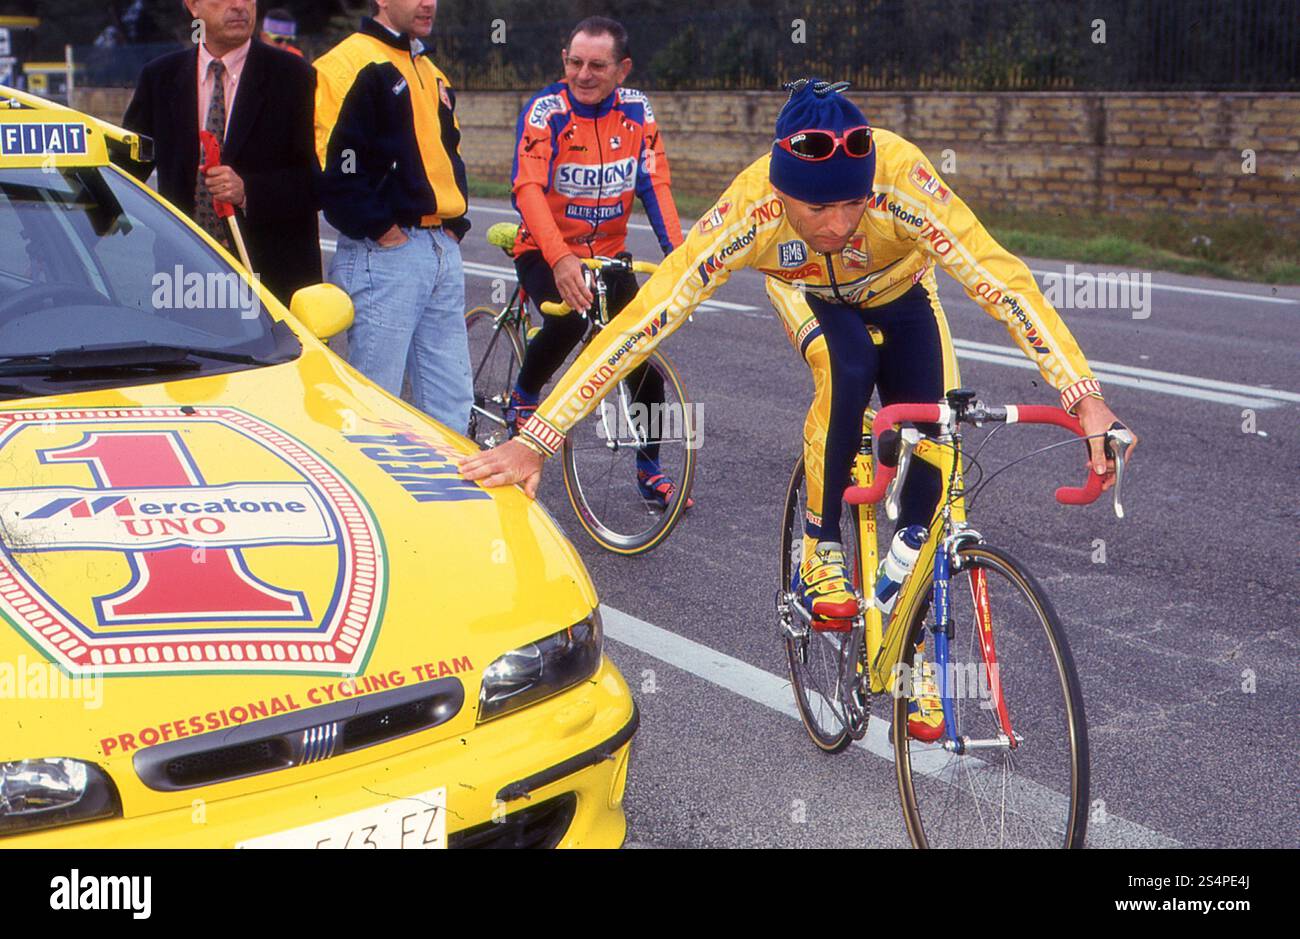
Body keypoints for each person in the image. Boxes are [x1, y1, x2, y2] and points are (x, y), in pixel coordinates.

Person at [460, 78, 1137, 738]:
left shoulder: (902, 180)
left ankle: (911, 629)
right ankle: (819, 544)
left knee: (934, 447)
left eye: (853, 204)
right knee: (845, 367)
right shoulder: (751, 208)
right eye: (818, 209)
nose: (840, 224)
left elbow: (1002, 279)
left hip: (901, 292)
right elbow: (647, 318)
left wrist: (1084, 394)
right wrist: (539, 437)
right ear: (783, 190)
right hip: (808, 294)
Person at [506, 16, 689, 507]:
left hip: (606, 255)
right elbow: (527, 188)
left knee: (639, 354)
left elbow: (655, 184)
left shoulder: (638, 110)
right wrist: (561, 258)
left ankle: (650, 469)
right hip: (545, 249)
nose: (583, 74)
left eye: (597, 65)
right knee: (570, 321)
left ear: (622, 69)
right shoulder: (547, 111)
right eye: (574, 62)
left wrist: (680, 257)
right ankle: (524, 396)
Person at [314, 0, 473, 433]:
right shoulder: (345, 63)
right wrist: (382, 230)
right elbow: (334, 165)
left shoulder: (430, 68)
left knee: (452, 404)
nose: (428, 3)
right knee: (376, 408)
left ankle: (448, 500)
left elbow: (450, 152)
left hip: (439, 246)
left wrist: (454, 226)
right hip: (385, 252)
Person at [122, 0, 321, 304]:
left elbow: (319, 183)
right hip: (183, 275)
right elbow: (126, 172)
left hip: (271, 278)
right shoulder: (160, 78)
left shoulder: (296, 77)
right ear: (193, 6)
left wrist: (247, 191)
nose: (240, 6)